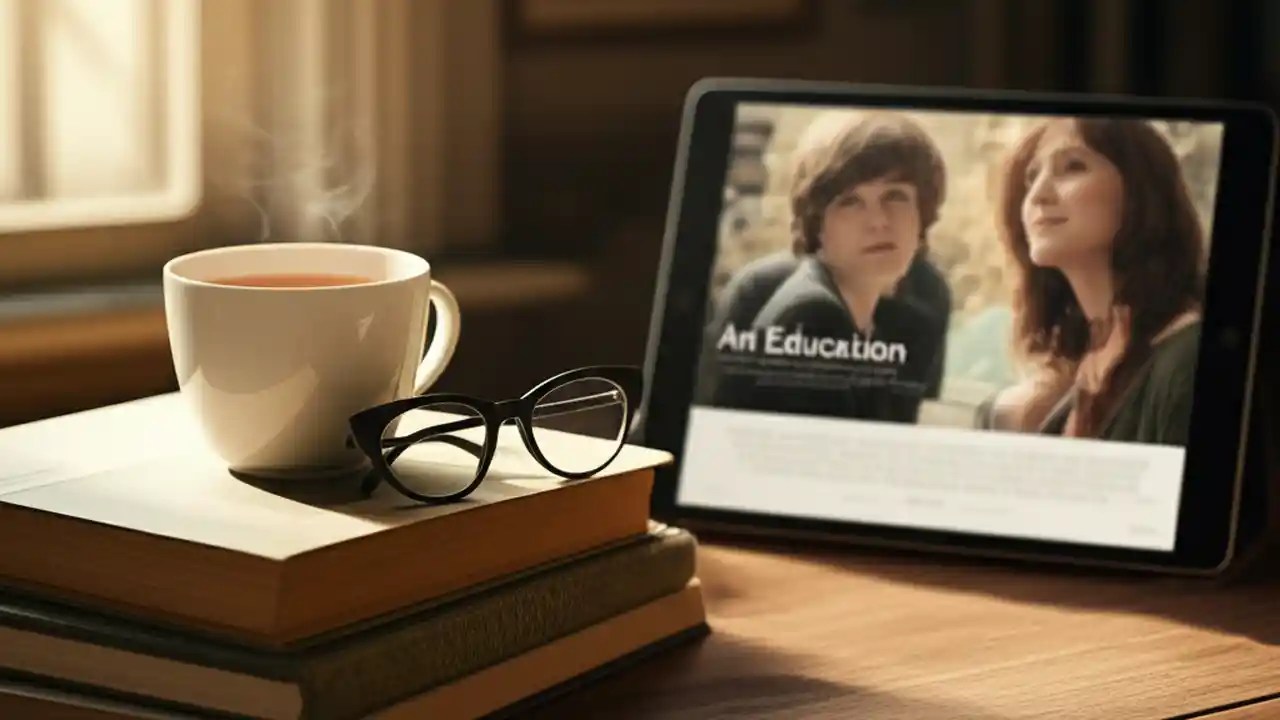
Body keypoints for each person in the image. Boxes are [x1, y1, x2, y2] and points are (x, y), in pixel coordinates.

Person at [981, 117, 1206, 446]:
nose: (1038, 195)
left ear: (1139, 189)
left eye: (1073, 166)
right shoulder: (1077, 373)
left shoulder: (1187, 359)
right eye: (1031, 178)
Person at [716, 111, 950, 423]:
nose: (879, 221)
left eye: (895, 196)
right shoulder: (781, 299)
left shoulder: (928, 294)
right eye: (850, 201)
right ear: (817, 221)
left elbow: (909, 415)